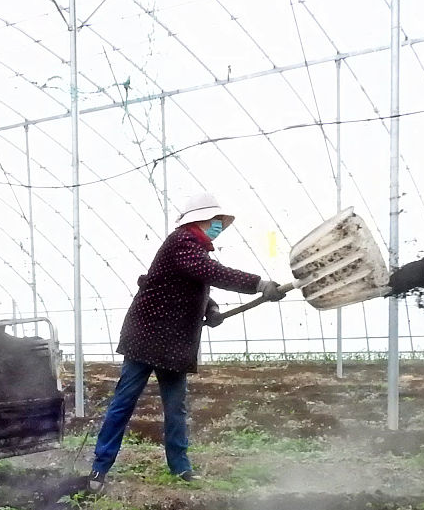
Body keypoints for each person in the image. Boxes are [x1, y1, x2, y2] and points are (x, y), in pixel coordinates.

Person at [88, 193, 284, 490]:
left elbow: (195, 283)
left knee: (175, 406)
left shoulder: (193, 250)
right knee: (124, 403)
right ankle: (99, 468)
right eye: (215, 221)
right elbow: (211, 273)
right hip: (147, 337)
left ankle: (180, 468)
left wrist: (212, 308)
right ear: (199, 219)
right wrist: (259, 284)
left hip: (172, 344)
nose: (218, 226)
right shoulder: (182, 242)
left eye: (220, 222)